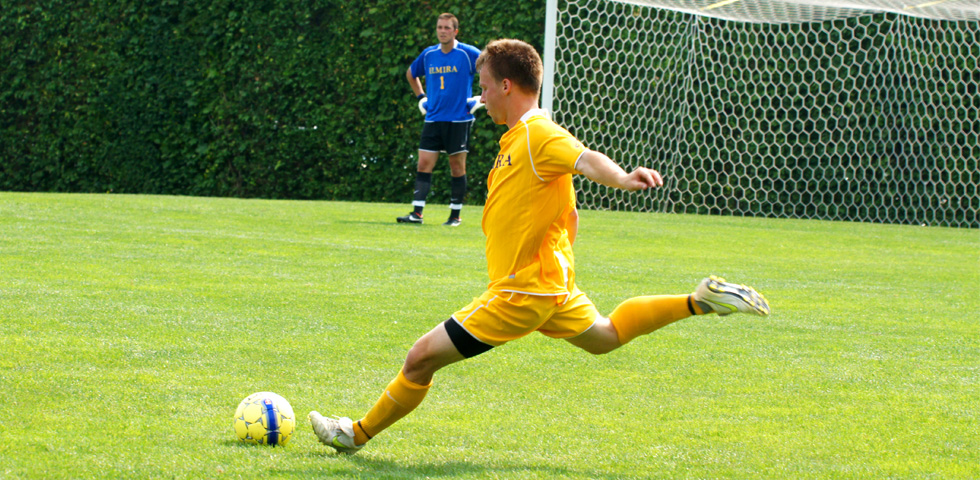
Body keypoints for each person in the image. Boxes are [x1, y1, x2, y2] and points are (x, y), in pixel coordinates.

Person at [310, 39, 771, 454]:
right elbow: (568, 211)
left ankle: (355, 434)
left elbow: (586, 159)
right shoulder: (521, 138)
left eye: (485, 86)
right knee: (606, 337)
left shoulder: (538, 133)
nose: (481, 95)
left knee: (420, 358)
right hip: (551, 285)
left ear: (507, 85)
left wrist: (623, 178)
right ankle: (700, 300)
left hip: (521, 291)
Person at [398, 13, 482, 226]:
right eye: (439, 27)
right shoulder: (428, 55)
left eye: (447, 28)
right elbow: (411, 73)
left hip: (459, 119)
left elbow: (493, 70)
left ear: (455, 31)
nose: (442, 31)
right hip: (433, 118)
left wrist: (482, 98)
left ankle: (455, 216)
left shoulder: (468, 53)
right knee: (424, 163)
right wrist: (421, 97)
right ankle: (417, 214)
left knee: (457, 166)